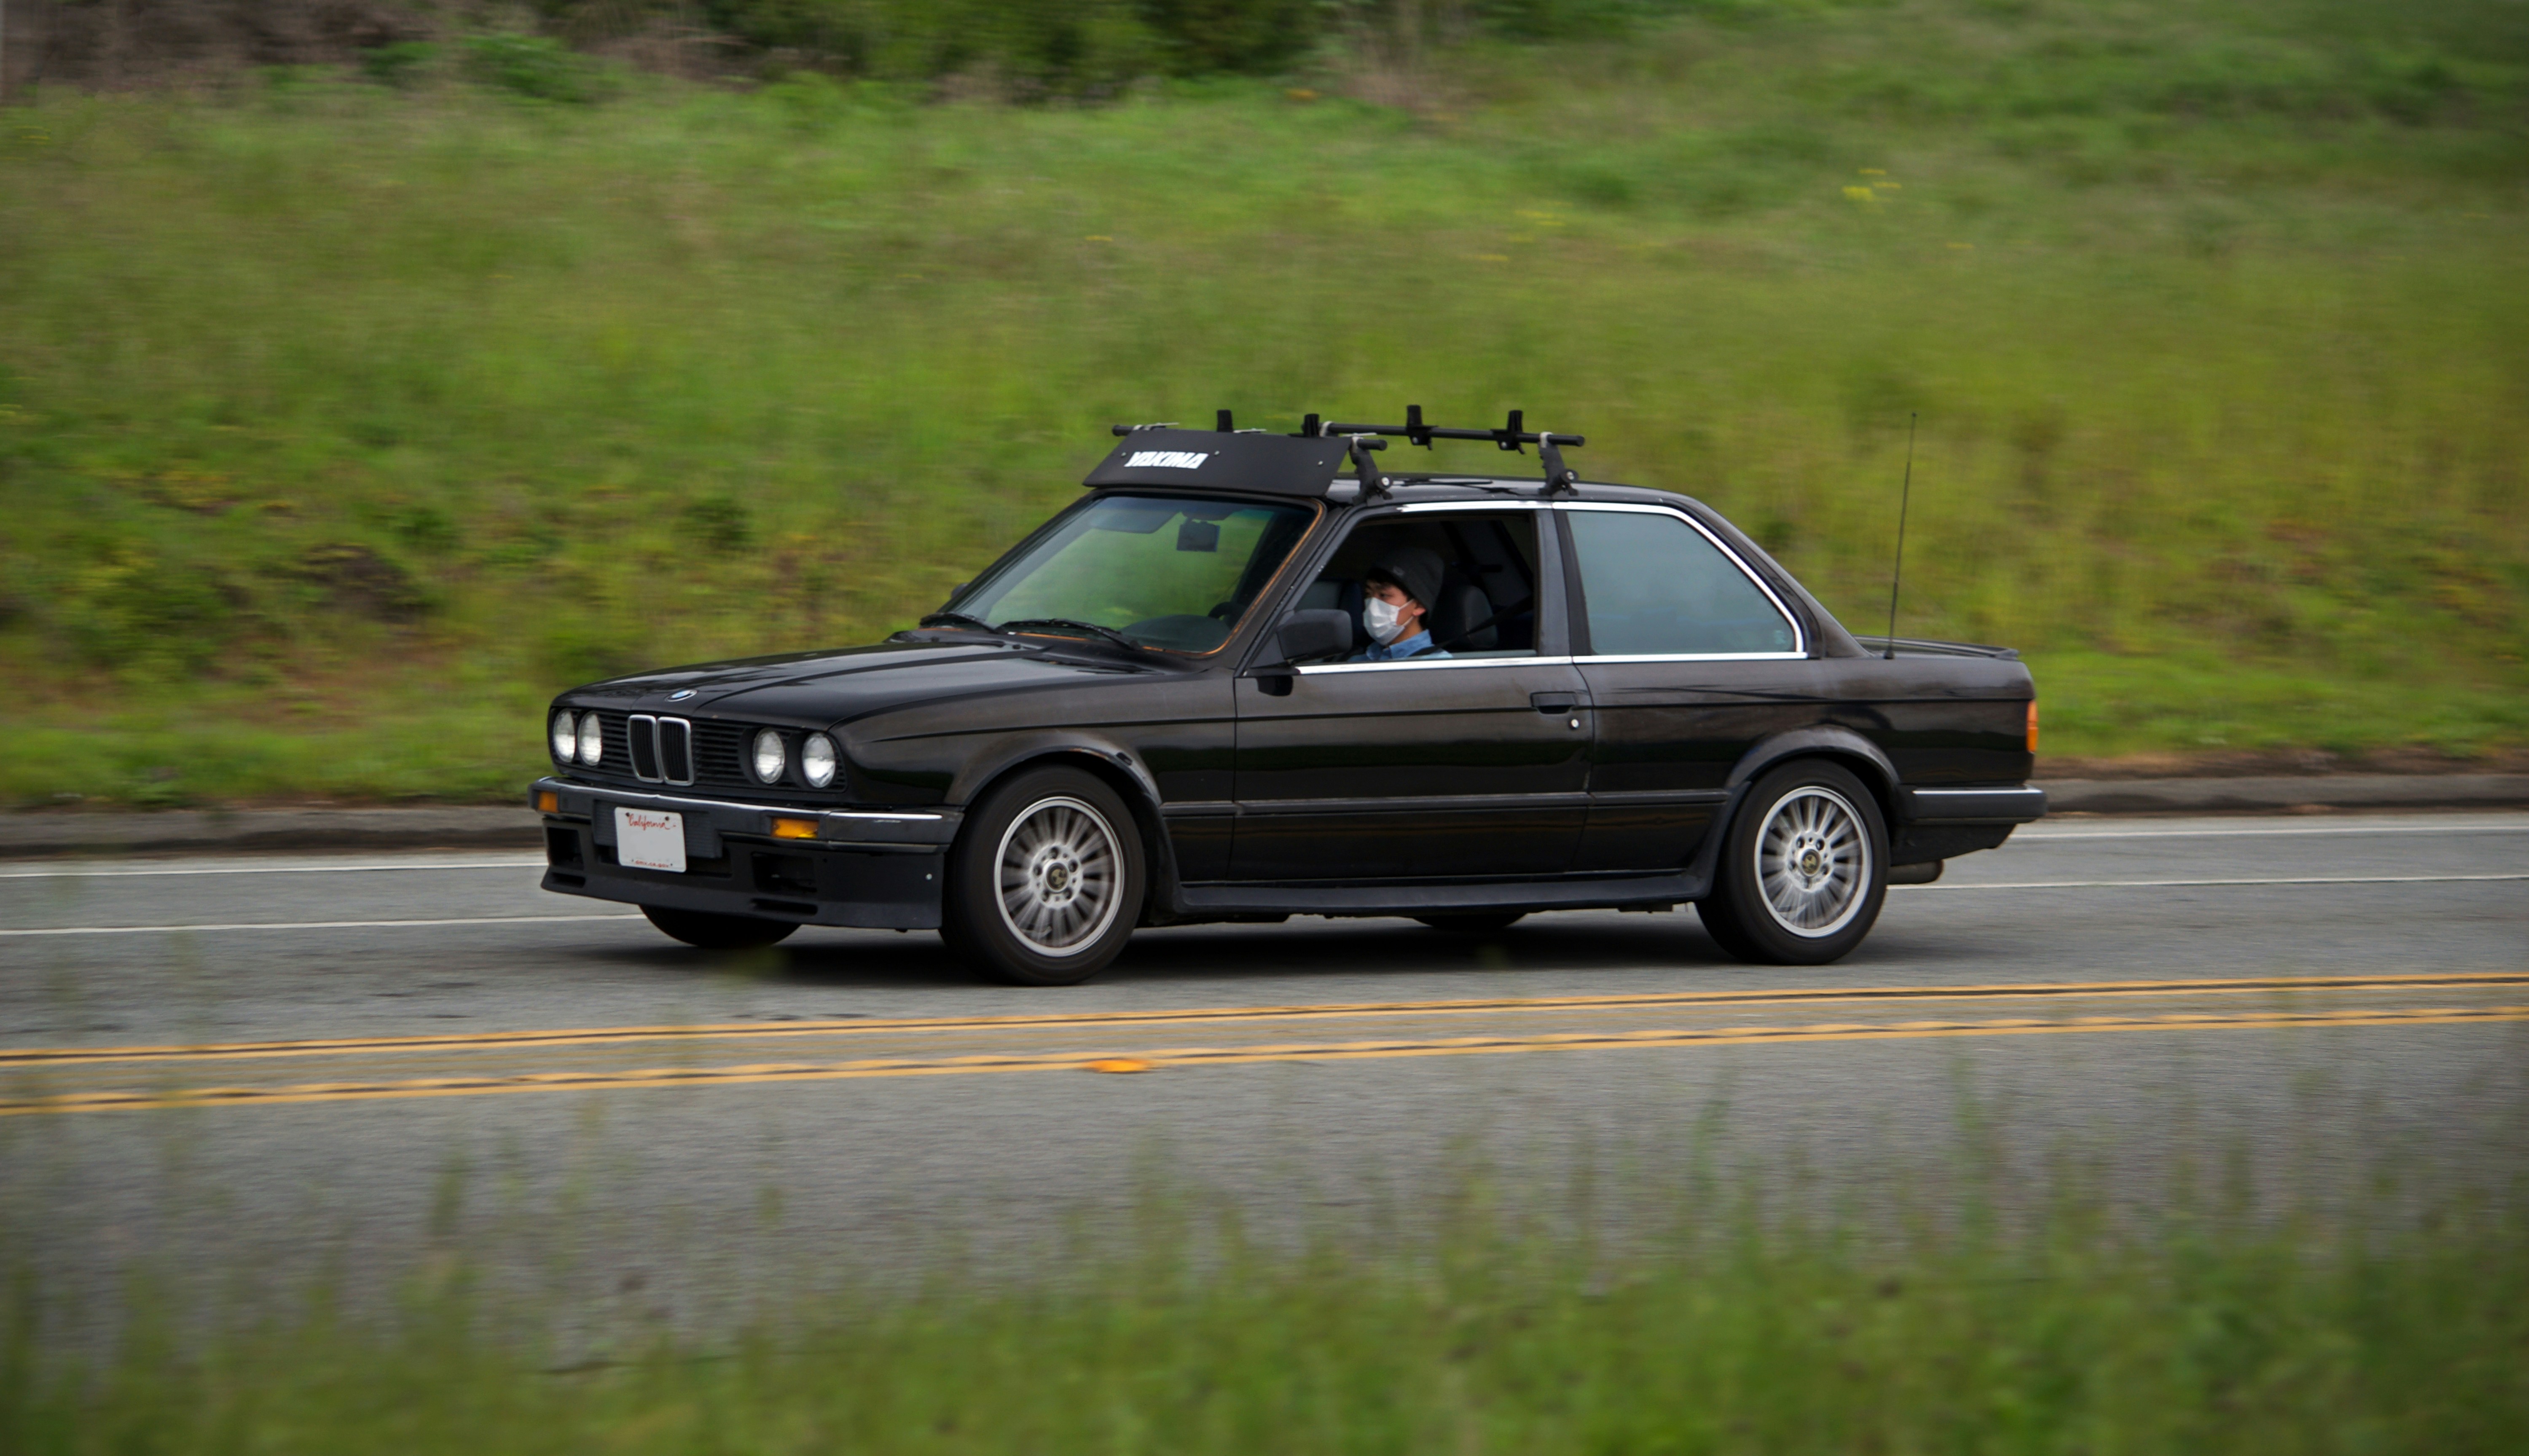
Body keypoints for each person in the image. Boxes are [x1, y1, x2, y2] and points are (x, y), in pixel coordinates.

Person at [1350, 547, 1452, 662]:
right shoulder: (1356, 661)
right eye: (1369, 594)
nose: (1372, 605)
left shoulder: (1436, 667)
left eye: (1384, 595)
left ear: (1419, 606)